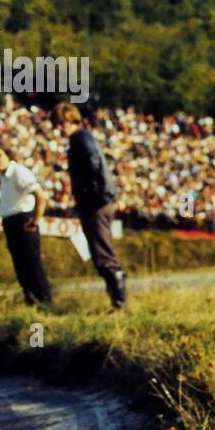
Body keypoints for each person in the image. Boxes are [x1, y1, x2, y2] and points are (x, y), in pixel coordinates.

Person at [54, 102, 126, 309]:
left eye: (62, 123)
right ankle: (116, 300)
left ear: (72, 120)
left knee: (102, 252)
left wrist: (90, 196)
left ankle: (119, 302)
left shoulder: (81, 139)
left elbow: (93, 168)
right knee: (98, 253)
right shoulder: (79, 140)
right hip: (93, 202)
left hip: (96, 203)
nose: (60, 128)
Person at [0, 139, 52, 306]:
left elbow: (40, 196)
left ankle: (46, 304)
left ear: (8, 155)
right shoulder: (4, 177)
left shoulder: (19, 172)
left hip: (24, 220)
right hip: (11, 222)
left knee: (32, 266)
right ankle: (32, 305)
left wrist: (35, 222)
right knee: (21, 268)